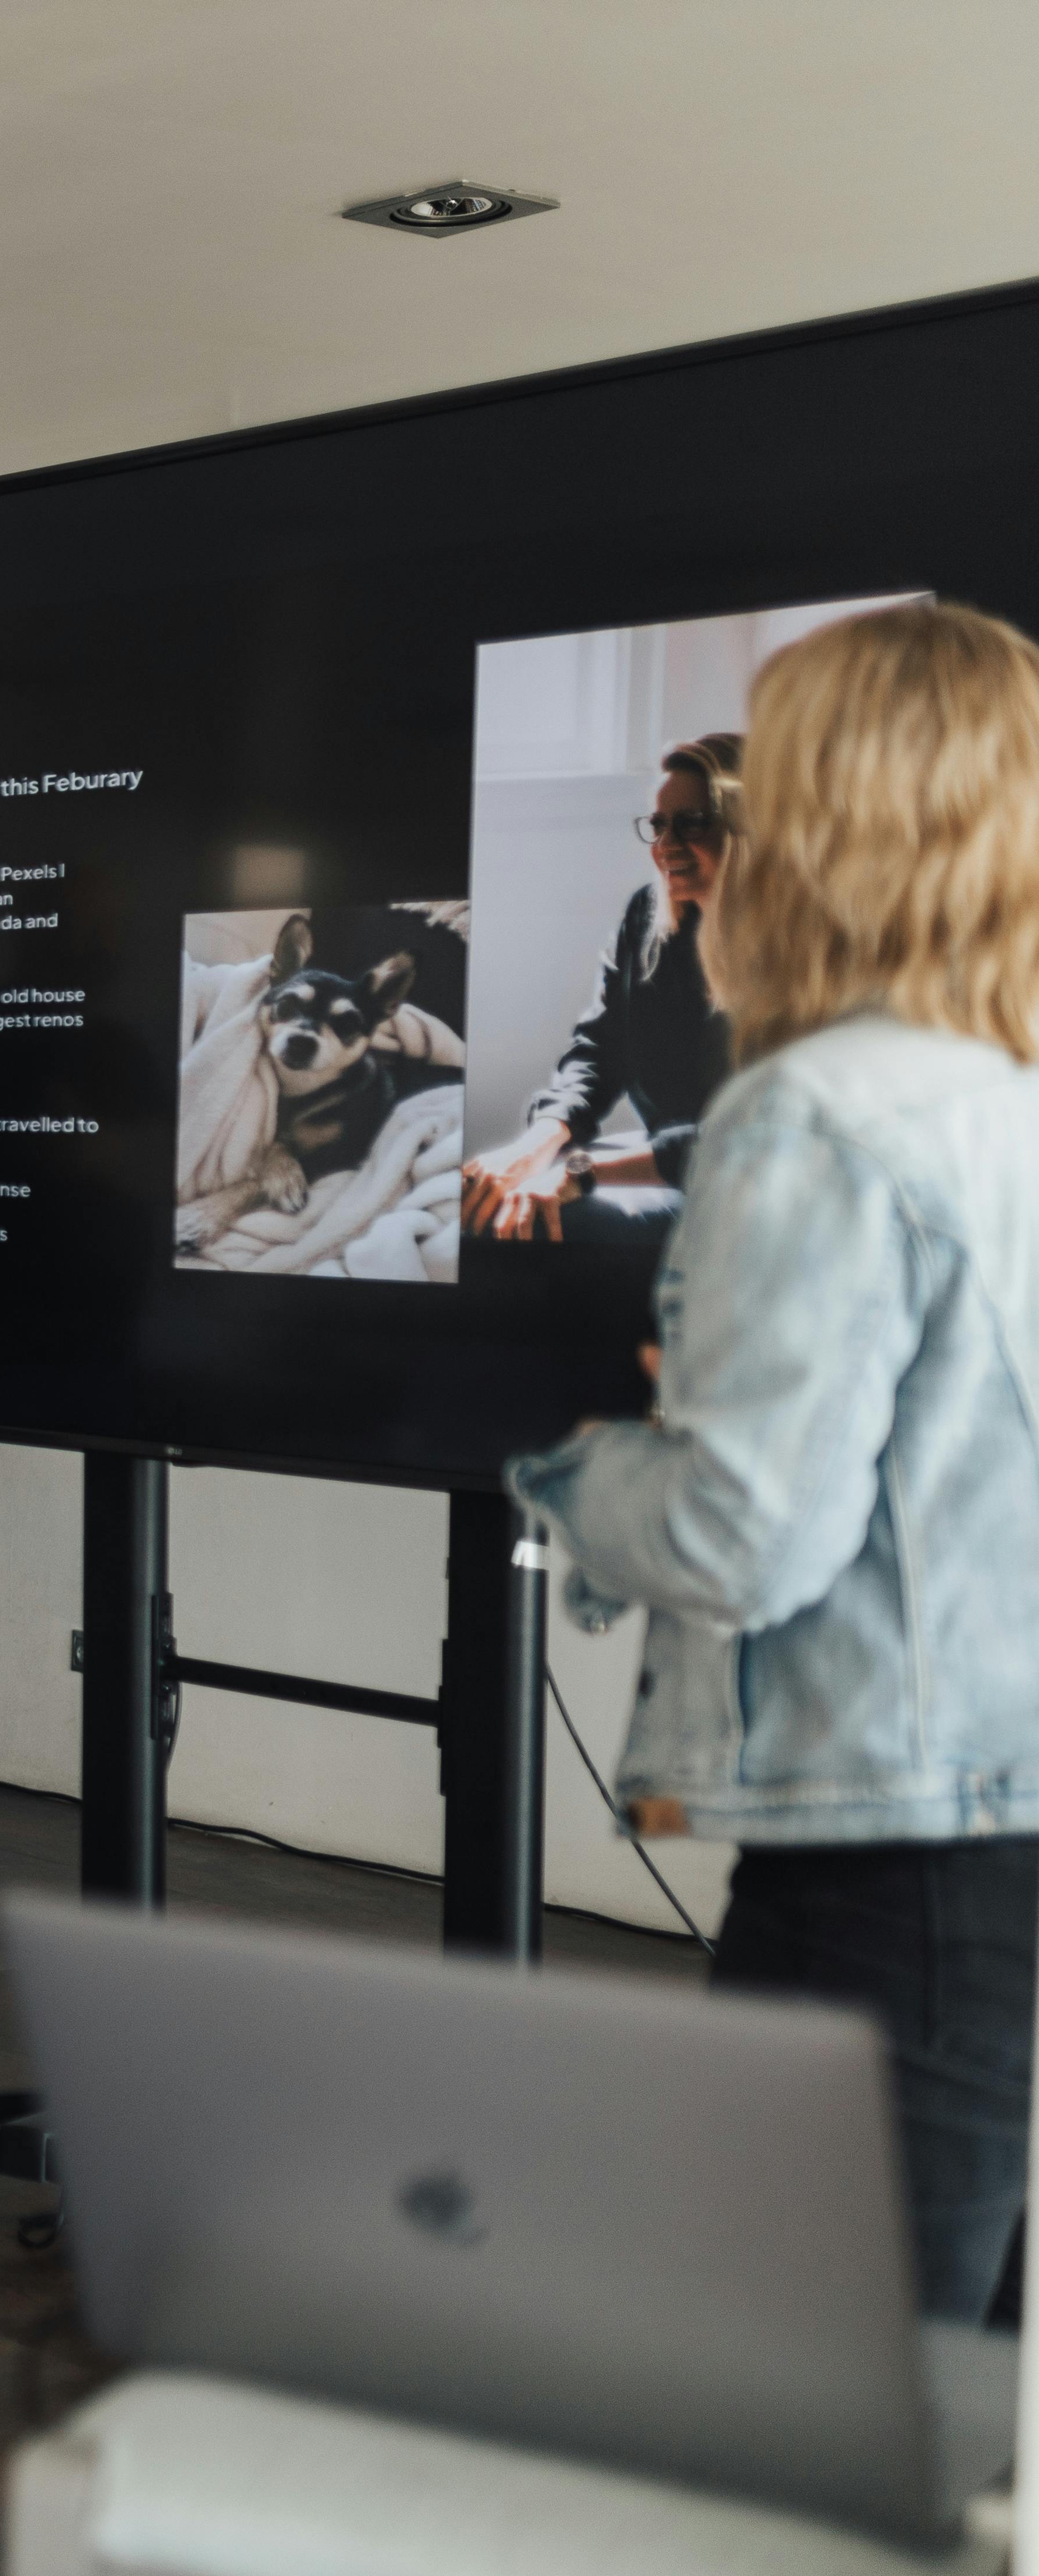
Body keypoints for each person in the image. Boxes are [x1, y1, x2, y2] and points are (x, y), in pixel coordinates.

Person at [510, 601, 1039, 2322]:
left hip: (893, 1866)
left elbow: (743, 1539)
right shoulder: (1002, 1094)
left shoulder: (814, 1110)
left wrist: (583, 1475)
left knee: (812, 2422)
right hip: (1001, 1804)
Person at [460, 735, 742, 1242]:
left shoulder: (803, 956)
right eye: (659, 825)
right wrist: (540, 1140)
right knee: (485, 1192)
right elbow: (599, 1051)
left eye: (693, 821)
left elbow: (754, 1134)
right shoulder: (647, 918)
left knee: (545, 1222)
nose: (667, 845)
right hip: (662, 1158)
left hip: (749, 1179)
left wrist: (583, 1173)